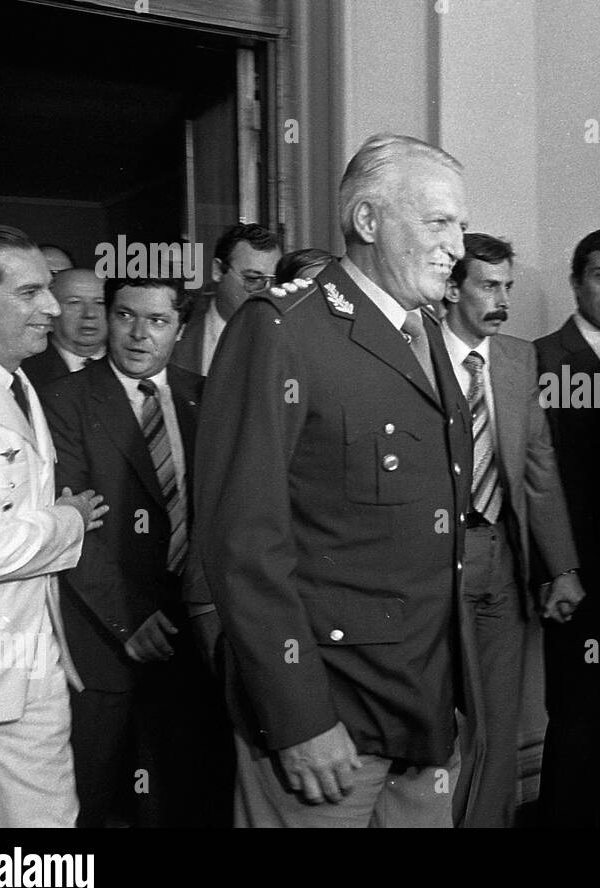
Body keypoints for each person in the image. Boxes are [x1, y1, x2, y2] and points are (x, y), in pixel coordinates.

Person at [187, 133, 480, 827]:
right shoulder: (282, 330)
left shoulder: (427, 332)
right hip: (331, 724)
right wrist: (297, 718)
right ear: (368, 221)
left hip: (425, 708)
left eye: (460, 226)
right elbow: (242, 545)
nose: (458, 247)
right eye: (439, 222)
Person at [42, 274, 232, 827]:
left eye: (157, 320)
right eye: (125, 315)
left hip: (196, 633)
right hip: (107, 637)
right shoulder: (65, 401)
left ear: (181, 328)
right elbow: (73, 527)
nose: (137, 333)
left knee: (187, 797)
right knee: (95, 799)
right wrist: (129, 620)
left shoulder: (205, 394)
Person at [0, 223, 107, 827]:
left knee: (45, 828)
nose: (52, 307)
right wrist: (69, 519)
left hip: (28, 663)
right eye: (28, 293)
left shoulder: (13, 378)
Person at [441, 232, 583, 827]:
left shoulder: (519, 359)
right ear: (452, 288)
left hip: (503, 557)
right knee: (441, 724)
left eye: (508, 288)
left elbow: (540, 468)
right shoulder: (414, 353)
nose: (502, 300)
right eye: (488, 286)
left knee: (498, 722)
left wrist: (564, 568)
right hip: (437, 562)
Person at [535, 227, 600, 828]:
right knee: (575, 721)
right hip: (572, 576)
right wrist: (554, 572)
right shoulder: (545, 359)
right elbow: (536, 476)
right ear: (577, 281)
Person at [170, 223, 281, 376]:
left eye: (276, 281)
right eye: (253, 279)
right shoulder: (179, 326)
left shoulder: (288, 335)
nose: (268, 291)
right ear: (218, 271)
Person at [22, 268, 107, 390]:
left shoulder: (130, 363)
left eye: (100, 303)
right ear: (51, 309)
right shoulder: (26, 370)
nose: (90, 314)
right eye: (74, 302)